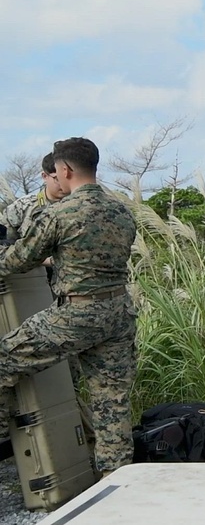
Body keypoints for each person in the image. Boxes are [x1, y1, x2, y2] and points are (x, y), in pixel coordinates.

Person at [0, 137, 137, 475]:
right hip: (119, 313)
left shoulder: (60, 213)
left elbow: (18, 260)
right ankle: (117, 481)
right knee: (112, 403)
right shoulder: (122, 211)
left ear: (64, 170)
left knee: (3, 359)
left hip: (77, 315)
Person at [0, 153, 67, 241]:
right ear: (45, 176)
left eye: (66, 178)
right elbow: (5, 240)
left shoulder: (79, 205)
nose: (63, 183)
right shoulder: (23, 206)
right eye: (57, 179)